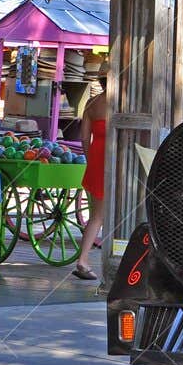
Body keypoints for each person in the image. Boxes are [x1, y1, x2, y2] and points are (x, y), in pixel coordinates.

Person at [72, 77, 109, 281]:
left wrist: (90, 158)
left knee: (95, 216)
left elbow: (84, 138)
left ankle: (83, 259)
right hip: (114, 161)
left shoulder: (91, 103)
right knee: (114, 215)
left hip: (95, 161)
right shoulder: (122, 103)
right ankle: (88, 260)